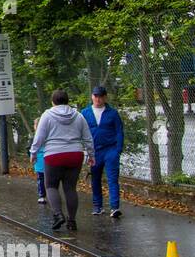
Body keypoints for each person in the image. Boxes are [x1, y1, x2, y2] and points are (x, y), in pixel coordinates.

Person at [29, 89, 96, 231]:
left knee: (51, 186)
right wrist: (91, 155)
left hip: (54, 155)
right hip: (75, 154)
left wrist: (33, 152)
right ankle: (72, 221)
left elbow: (39, 136)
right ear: (67, 101)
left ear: (53, 102)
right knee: (70, 188)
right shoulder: (78, 116)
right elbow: (88, 137)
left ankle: (58, 214)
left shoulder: (47, 115)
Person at [82, 85, 125, 218]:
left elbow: (119, 131)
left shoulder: (112, 113)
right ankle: (97, 206)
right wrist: (85, 150)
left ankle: (114, 207)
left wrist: (118, 149)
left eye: (100, 97)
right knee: (95, 178)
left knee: (112, 178)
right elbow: (81, 131)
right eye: (96, 96)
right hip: (94, 150)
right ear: (92, 97)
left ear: (105, 97)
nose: (98, 99)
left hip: (110, 149)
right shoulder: (85, 113)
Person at [33, 117, 47, 204]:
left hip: (39, 159)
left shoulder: (37, 136)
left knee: (40, 178)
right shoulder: (49, 134)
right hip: (49, 158)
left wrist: (32, 156)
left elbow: (34, 148)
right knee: (50, 179)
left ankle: (42, 195)